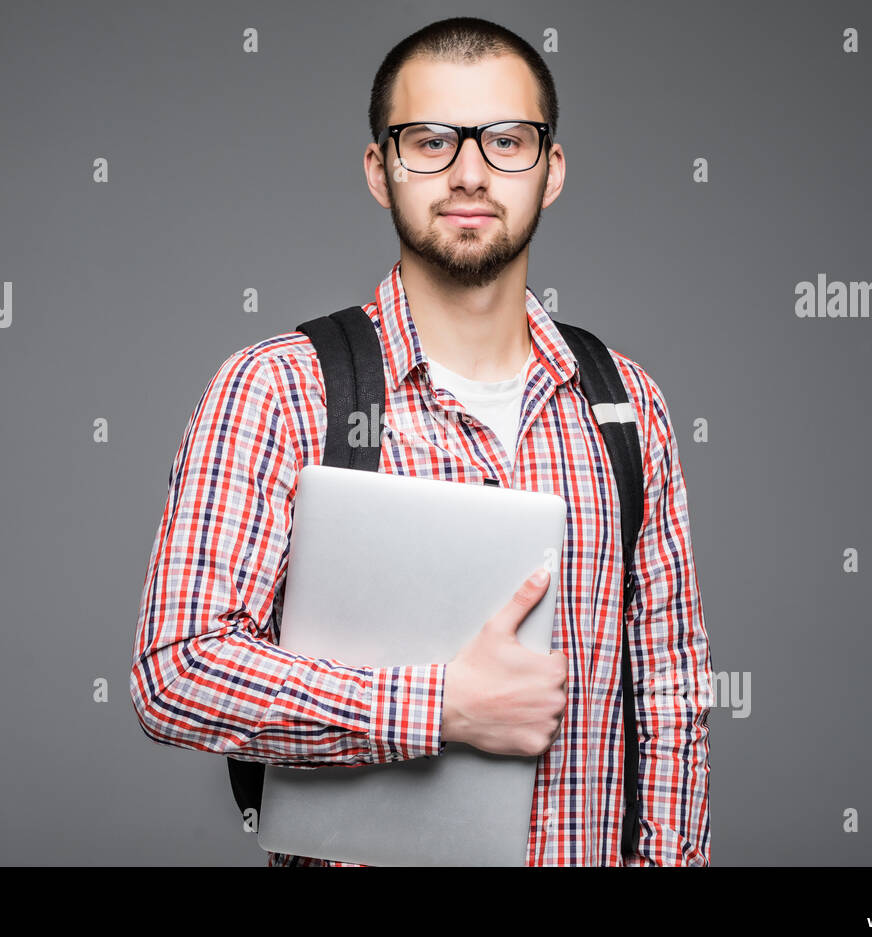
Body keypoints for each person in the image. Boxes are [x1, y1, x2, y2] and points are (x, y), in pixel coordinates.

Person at [129, 16, 712, 866]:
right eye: (430, 141)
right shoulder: (280, 389)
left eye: (507, 140)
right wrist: (436, 707)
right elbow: (176, 674)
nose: (470, 172)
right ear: (380, 170)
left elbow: (669, 699)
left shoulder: (626, 405)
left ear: (551, 172)